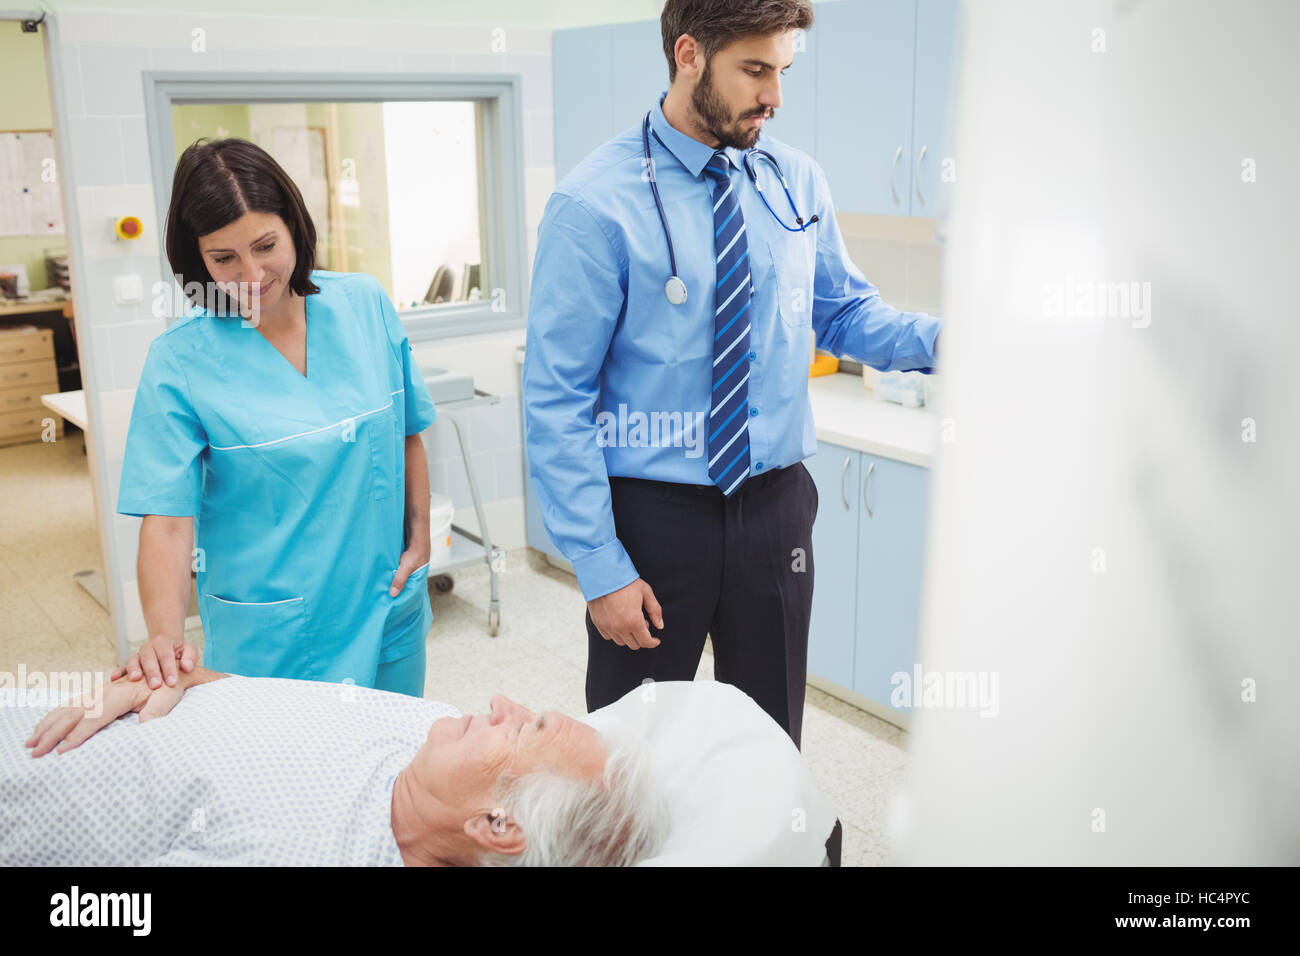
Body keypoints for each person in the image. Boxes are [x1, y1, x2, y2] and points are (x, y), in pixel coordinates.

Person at [523, 0, 943, 746]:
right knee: (634, 757)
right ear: (689, 55)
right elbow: (558, 401)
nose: (774, 96)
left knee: (771, 741)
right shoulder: (593, 204)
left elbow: (846, 317)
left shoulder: (796, 183)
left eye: (782, 71)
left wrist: (966, 342)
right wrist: (600, 567)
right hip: (652, 521)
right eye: (755, 70)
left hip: (775, 511)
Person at [115, 138, 437, 697]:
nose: (251, 274)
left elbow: (406, 427)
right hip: (275, 633)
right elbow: (166, 520)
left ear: (294, 225)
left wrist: (422, 536)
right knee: (294, 779)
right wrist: (164, 640)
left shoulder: (364, 303)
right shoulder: (181, 360)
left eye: (265, 245)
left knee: (398, 769)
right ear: (197, 259)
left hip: (387, 602)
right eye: (224, 259)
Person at [8, 663, 665, 867]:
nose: (499, 702)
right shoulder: (426, 728)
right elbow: (256, 694)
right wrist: (161, 680)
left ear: (497, 825)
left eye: (524, 727)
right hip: (50, 711)